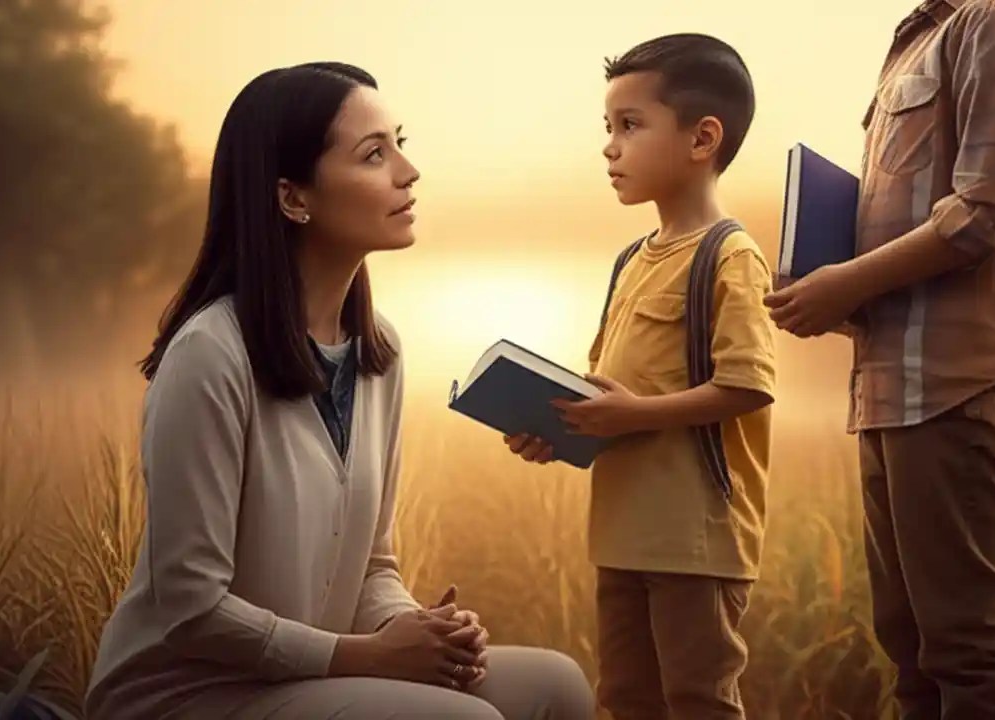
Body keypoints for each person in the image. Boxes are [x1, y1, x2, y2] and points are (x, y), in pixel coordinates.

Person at [84, 61, 596, 720]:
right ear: (293, 198)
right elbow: (191, 606)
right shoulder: (209, 355)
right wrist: (371, 657)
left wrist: (421, 635)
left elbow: (374, 565)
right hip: (190, 692)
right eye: (374, 154)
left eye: (399, 145)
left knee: (558, 685)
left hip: (311, 677)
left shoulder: (380, 352)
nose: (408, 172)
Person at [765, 1, 995, 718]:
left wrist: (848, 283)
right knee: (908, 644)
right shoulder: (913, 39)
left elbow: (990, 209)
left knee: (966, 645)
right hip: (887, 383)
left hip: (956, 380)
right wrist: (826, 293)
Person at [505, 34, 777, 720]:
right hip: (620, 534)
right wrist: (559, 426)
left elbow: (749, 384)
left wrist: (633, 415)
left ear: (702, 138)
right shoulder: (631, 260)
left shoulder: (730, 256)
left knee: (698, 699)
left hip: (695, 539)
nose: (610, 147)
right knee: (626, 699)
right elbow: (610, 392)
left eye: (630, 125)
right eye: (608, 127)